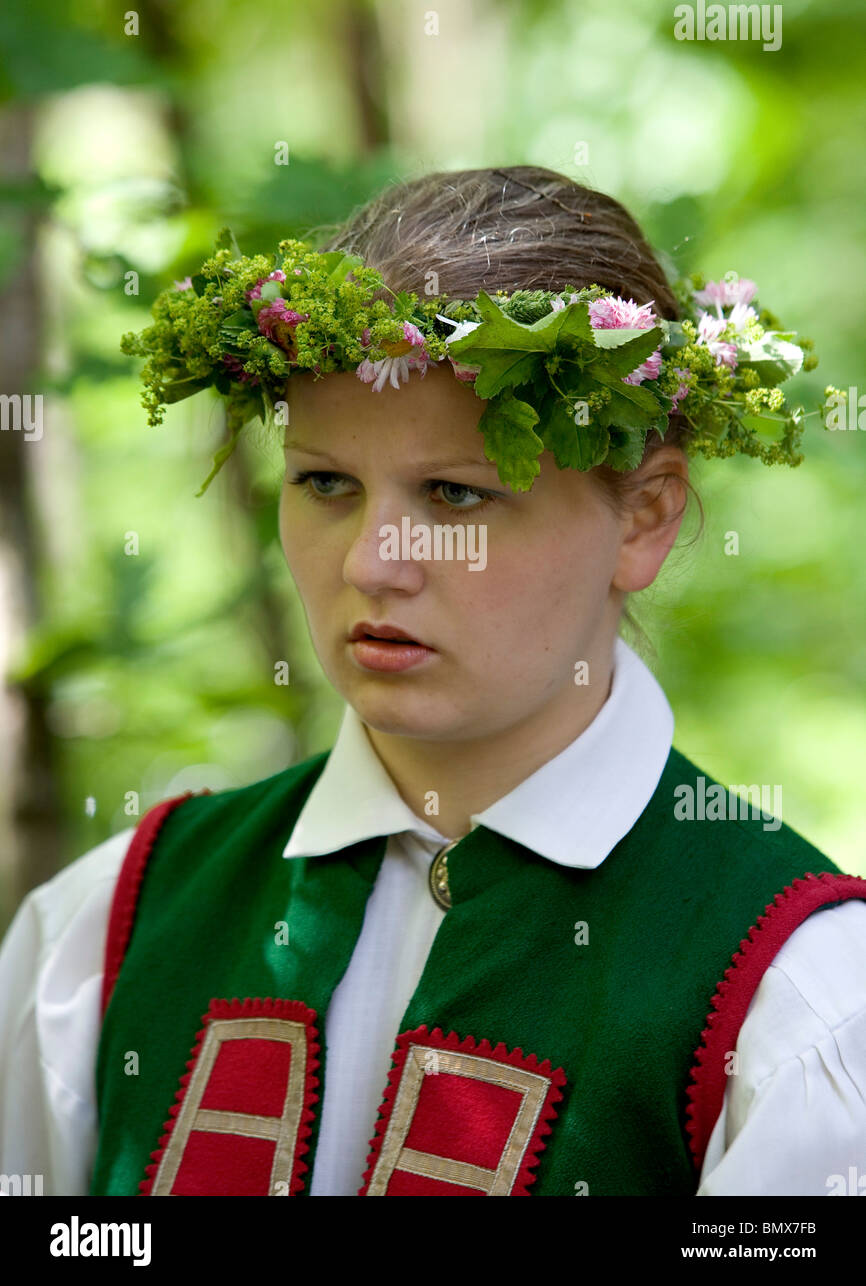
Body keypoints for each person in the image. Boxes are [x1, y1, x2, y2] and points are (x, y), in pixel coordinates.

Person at [1, 165, 865, 1198]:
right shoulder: (111, 923)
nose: (372, 562)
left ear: (642, 517)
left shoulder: (795, 1000)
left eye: (454, 494)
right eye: (325, 481)